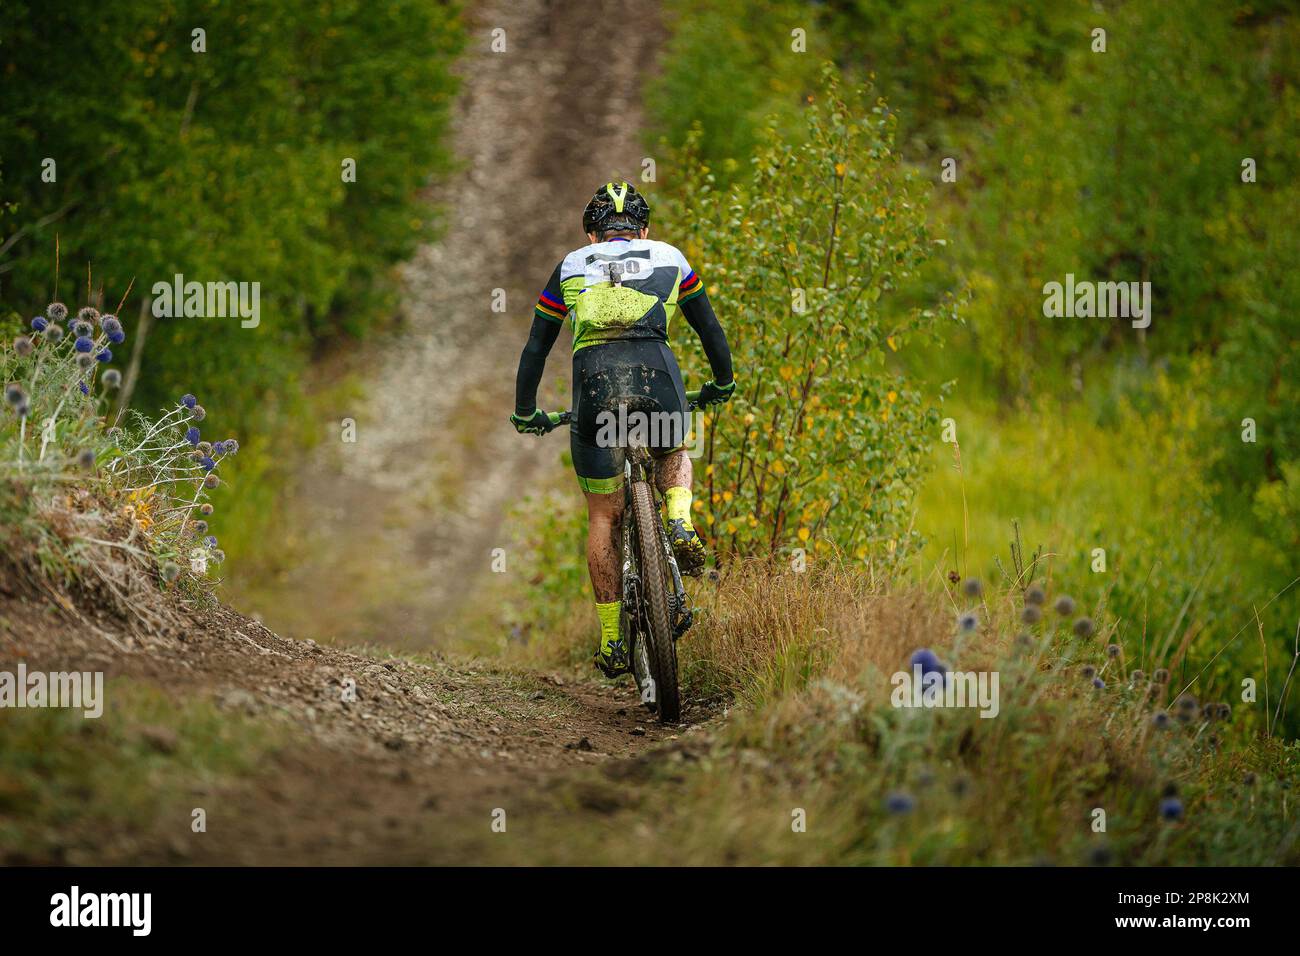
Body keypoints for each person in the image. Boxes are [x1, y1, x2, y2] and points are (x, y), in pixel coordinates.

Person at [511, 181, 735, 676]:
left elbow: (535, 349)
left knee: (603, 517)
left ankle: (613, 640)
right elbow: (710, 330)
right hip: (657, 376)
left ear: (591, 233)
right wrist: (723, 381)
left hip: (594, 387)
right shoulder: (671, 256)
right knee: (672, 451)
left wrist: (527, 411)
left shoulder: (572, 264)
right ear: (644, 229)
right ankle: (679, 519)